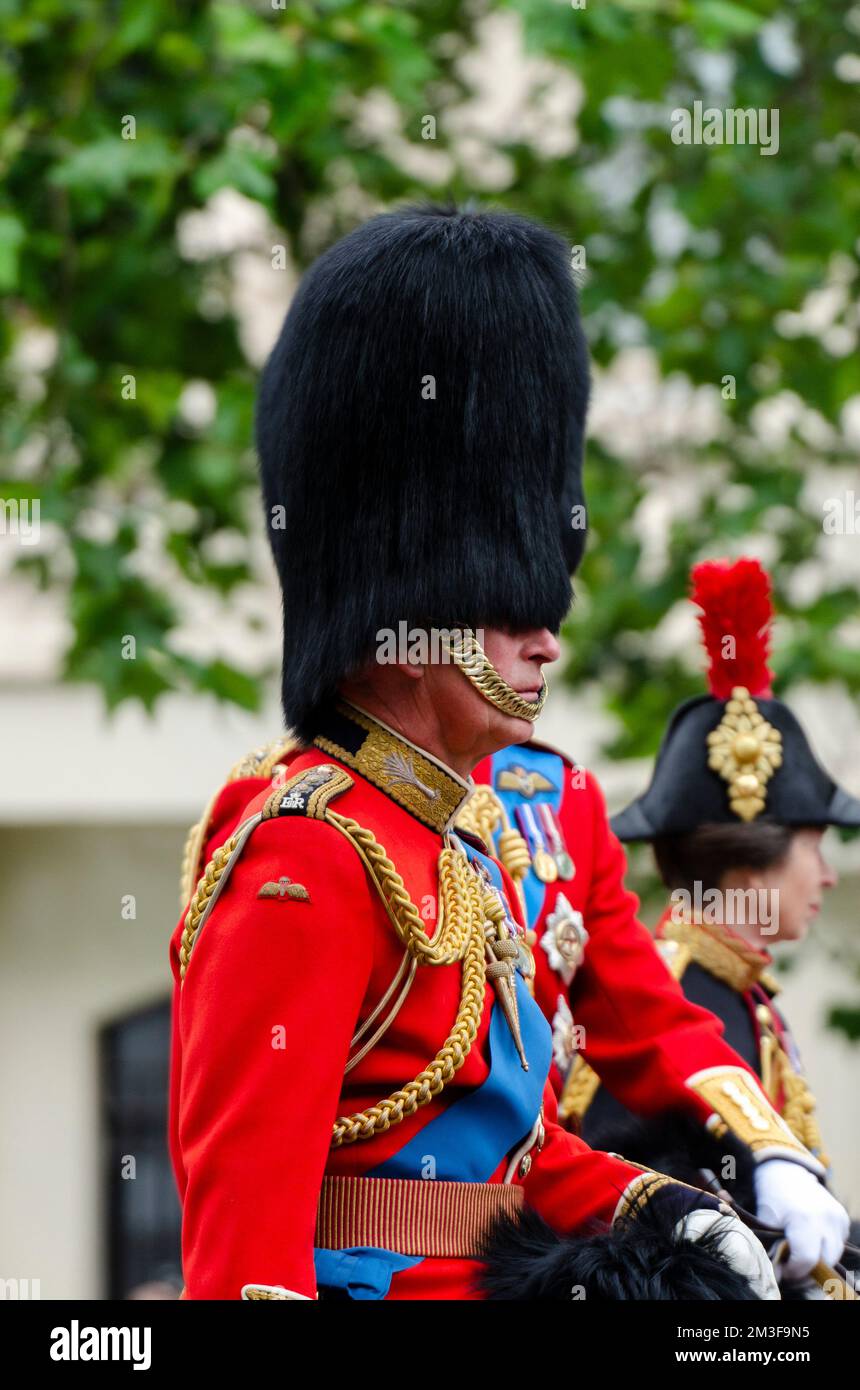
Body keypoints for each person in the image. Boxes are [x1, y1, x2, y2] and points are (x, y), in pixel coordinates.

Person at [167, 204, 776, 1301]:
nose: (545, 636)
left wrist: (677, 1209)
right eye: (507, 607)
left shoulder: (456, 849)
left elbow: (525, 1156)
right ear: (406, 615)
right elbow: (241, 1235)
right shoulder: (305, 857)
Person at [571, 556, 860, 1282]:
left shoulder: (739, 995)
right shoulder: (672, 994)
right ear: (751, 859)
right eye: (814, 845)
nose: (826, 873)